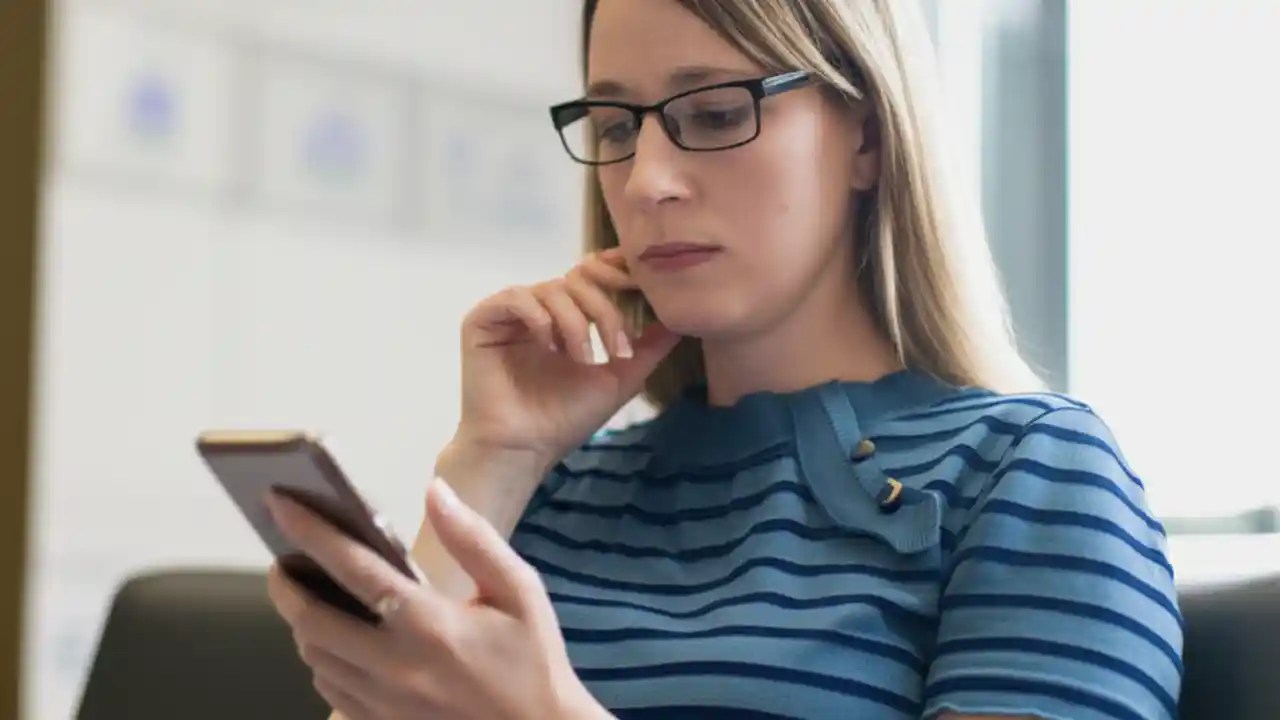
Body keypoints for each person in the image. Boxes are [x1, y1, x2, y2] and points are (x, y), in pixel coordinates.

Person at [263, 0, 1183, 718]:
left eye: (710, 113)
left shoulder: (1033, 475)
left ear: (865, 134)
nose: (648, 180)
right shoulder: (557, 489)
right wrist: (494, 456)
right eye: (617, 127)